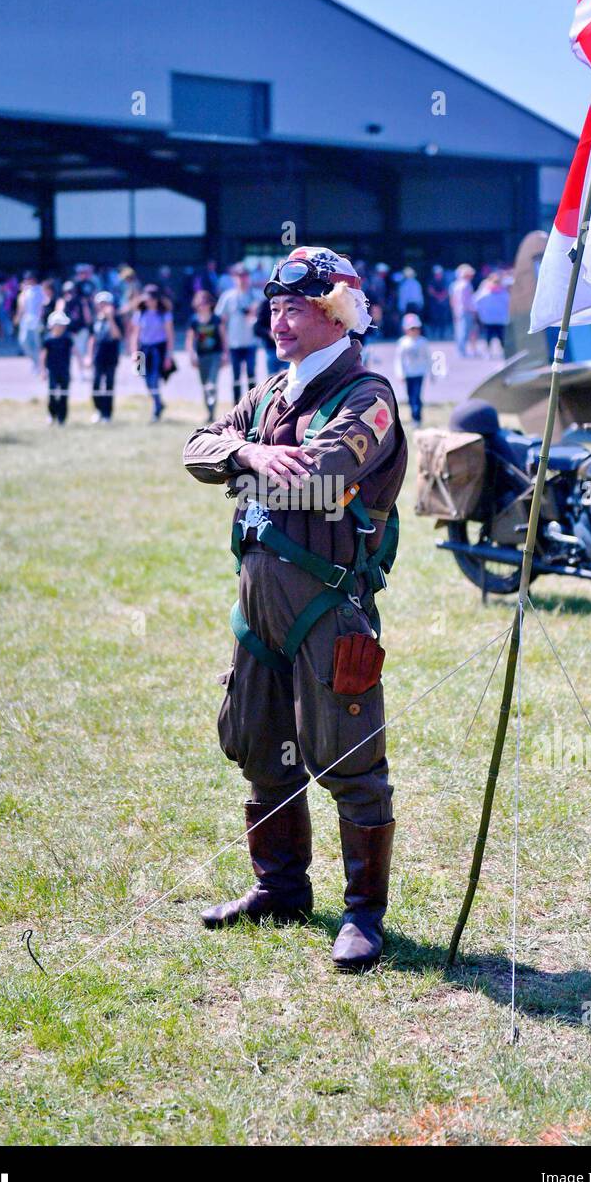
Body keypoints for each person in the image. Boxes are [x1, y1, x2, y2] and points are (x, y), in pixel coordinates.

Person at [183, 246, 408, 971]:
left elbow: (322, 477)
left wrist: (251, 464)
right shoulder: (273, 392)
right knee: (257, 743)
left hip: (328, 606)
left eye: (296, 309)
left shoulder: (367, 392)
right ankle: (279, 889)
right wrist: (249, 458)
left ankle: (364, 916)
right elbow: (196, 448)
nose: (279, 322)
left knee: (350, 758)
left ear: (334, 313)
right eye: (275, 309)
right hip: (259, 608)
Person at [216, 263, 258, 405]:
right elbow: (221, 321)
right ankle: (236, 405)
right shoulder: (228, 297)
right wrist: (224, 343)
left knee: (251, 375)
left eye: (245, 276)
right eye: (239, 276)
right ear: (234, 278)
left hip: (251, 342)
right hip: (234, 342)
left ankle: (252, 404)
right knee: (235, 376)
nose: (242, 279)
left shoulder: (255, 296)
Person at [185, 289, 226, 423]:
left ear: (210, 304)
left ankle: (212, 410)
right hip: (201, 356)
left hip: (215, 354)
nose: (202, 306)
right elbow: (190, 339)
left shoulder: (216, 319)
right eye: (200, 303)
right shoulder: (194, 320)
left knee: (211, 384)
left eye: (205, 303)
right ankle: (210, 413)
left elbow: (223, 337)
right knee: (204, 386)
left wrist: (225, 354)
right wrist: (191, 355)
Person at [135, 285, 175, 422]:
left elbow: (170, 335)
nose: (149, 302)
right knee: (143, 378)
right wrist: (135, 353)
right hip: (143, 349)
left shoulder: (164, 314)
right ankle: (159, 402)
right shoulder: (140, 313)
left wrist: (169, 356)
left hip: (158, 349)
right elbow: (136, 334)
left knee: (154, 379)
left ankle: (156, 409)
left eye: (152, 299)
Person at [87, 291, 123, 423]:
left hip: (111, 356)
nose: (103, 306)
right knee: (95, 384)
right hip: (98, 356)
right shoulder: (95, 318)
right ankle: (98, 410)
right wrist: (89, 356)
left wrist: (110, 319)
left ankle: (107, 413)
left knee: (109, 385)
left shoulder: (116, 318)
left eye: (106, 303)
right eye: (101, 303)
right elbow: (92, 338)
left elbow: (117, 336)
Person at [394, 312, 431, 426]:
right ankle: (413, 416)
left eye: (416, 328)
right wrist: (400, 374)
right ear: (406, 329)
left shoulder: (423, 342)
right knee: (410, 396)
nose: (414, 331)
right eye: (411, 328)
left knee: (417, 396)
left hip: (419, 373)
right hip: (408, 373)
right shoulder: (403, 343)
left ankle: (417, 418)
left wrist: (430, 372)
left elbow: (428, 358)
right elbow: (399, 359)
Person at [41, 308, 74, 426]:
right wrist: (43, 371)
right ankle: (52, 414)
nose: (62, 327)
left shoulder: (67, 338)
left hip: (64, 371)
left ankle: (62, 418)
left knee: (64, 394)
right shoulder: (48, 339)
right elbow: (43, 356)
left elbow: (75, 352)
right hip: (52, 371)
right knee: (52, 394)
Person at [474, 271, 511, 356]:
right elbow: (476, 302)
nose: (496, 284)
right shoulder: (484, 292)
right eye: (494, 281)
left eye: (497, 282)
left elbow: (508, 303)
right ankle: (488, 352)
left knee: (501, 337)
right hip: (488, 320)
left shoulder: (503, 293)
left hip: (500, 319)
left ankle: (504, 352)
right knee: (488, 337)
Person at [15, 271, 44, 373]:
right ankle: (36, 361)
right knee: (23, 342)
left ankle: (39, 365)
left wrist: (40, 319)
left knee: (36, 344)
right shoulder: (25, 292)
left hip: (36, 320)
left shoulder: (40, 290)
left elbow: (42, 306)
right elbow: (21, 306)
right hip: (26, 320)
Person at [450, 263, 478, 357]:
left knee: (460, 330)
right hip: (465, 310)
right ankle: (462, 352)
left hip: (459, 310)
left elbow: (453, 299)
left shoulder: (456, 285)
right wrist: (472, 310)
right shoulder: (465, 285)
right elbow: (465, 301)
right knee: (464, 331)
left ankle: (461, 350)